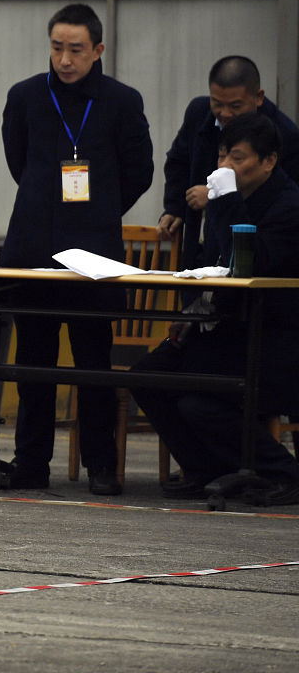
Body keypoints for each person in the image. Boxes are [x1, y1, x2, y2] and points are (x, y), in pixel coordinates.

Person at [0, 3, 154, 496]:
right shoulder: (26, 96)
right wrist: (46, 202)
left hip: (95, 251)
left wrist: (95, 211)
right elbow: (19, 160)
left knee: (92, 364)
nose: (64, 59)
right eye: (57, 48)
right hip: (32, 246)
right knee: (32, 363)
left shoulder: (122, 101)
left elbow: (137, 171)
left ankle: (103, 465)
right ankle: (30, 465)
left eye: (76, 49)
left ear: (97, 50)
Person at [131, 113, 299, 505]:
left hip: (273, 341)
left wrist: (223, 201)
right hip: (219, 331)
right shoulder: (231, 200)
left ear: (269, 161)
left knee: (200, 401)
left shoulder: (288, 205)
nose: (225, 167)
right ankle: (205, 469)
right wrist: (189, 316)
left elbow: (249, 263)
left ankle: (284, 472)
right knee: (146, 376)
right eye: (222, 155)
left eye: (238, 159)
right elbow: (209, 265)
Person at [158, 55, 299, 269]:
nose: (224, 113)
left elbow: (280, 197)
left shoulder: (284, 135)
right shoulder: (199, 112)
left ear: (258, 97)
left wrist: (218, 196)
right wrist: (174, 207)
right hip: (205, 240)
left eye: (235, 105)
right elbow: (178, 161)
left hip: (257, 241)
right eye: (217, 103)